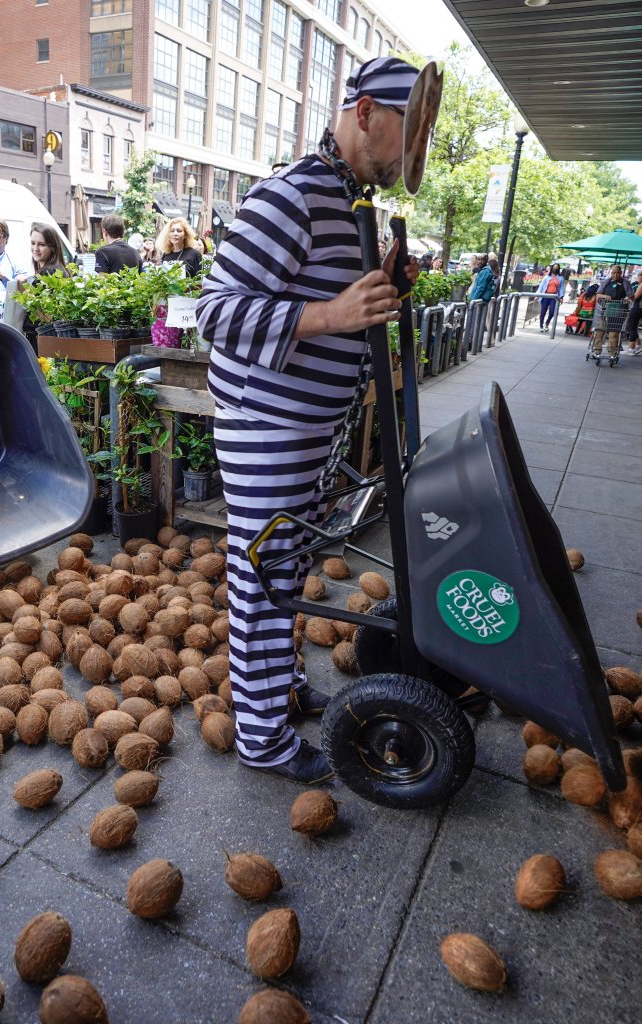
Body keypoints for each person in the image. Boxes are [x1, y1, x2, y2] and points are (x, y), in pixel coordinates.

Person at [195, 55, 424, 785]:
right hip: (268, 425)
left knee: (286, 566)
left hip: (309, 429)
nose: (410, 154)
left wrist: (380, 289)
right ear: (365, 114)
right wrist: (332, 313)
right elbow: (214, 312)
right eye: (406, 133)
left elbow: (330, 303)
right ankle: (263, 739)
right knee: (263, 577)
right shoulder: (294, 196)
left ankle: (281, 692)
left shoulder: (344, 194)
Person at [20, 221, 70, 351]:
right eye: (33, 243)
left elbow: (46, 316)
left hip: (42, 343)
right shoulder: (56, 270)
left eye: (41, 244)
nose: (35, 248)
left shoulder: (49, 272)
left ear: (52, 247)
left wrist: (24, 290)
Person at [536, 262, 563, 330]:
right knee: (543, 311)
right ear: (552, 268)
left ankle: (547, 323)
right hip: (545, 295)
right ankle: (541, 326)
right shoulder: (546, 277)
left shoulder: (560, 278)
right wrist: (537, 295)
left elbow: (562, 288)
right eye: (554, 267)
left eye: (557, 268)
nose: (555, 269)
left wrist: (561, 297)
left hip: (554, 297)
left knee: (552, 311)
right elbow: (541, 286)